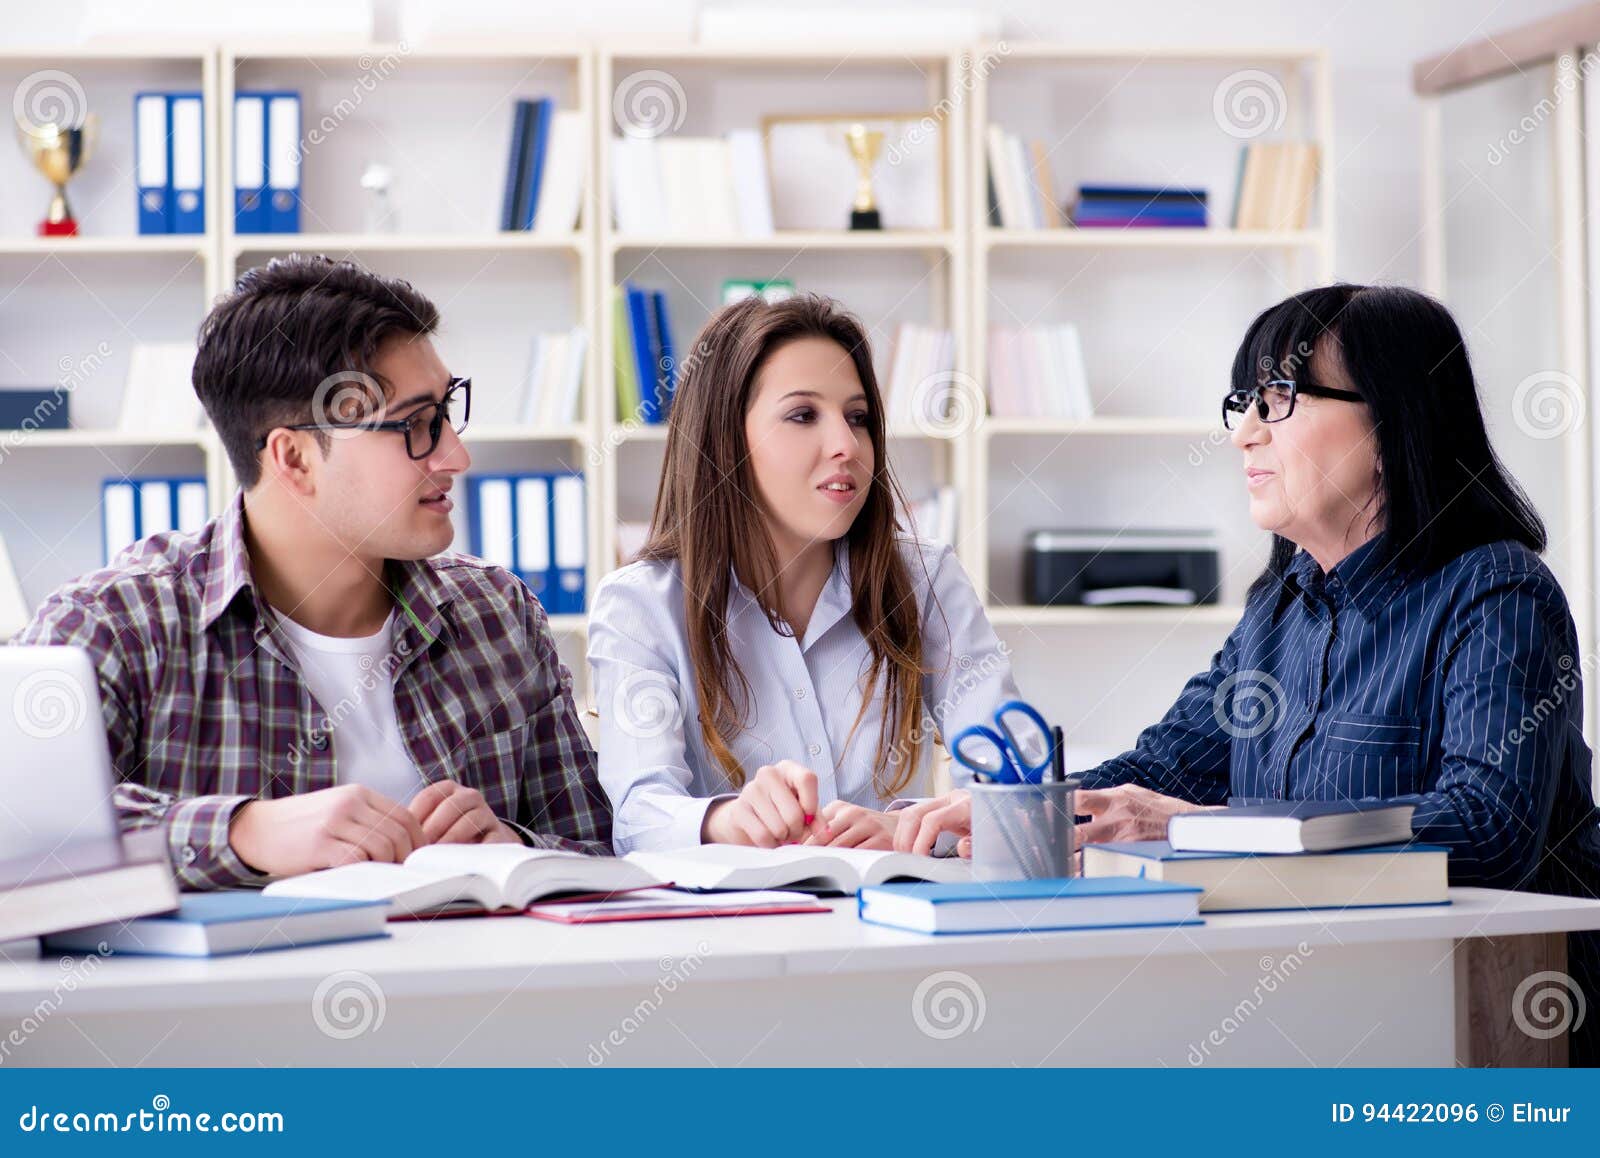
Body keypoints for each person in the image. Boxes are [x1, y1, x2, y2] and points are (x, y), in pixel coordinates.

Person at [893, 283, 1600, 1063]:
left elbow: (1487, 828)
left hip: (1489, 1020)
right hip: (1322, 1004)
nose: (1244, 436)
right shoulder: (1281, 605)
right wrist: (996, 813)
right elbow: (1164, 770)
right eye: (1245, 404)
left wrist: (1191, 828)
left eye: (1279, 400)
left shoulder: (1496, 591)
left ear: (1393, 419)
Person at [16, 253, 611, 888]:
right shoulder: (115, 625)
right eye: (415, 425)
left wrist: (514, 846)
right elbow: (23, 837)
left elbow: (597, 851)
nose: (455, 455)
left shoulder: (498, 615)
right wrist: (244, 833)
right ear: (294, 458)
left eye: (447, 411)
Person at [588, 294, 1019, 853]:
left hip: (900, 924)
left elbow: (1017, 792)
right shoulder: (641, 605)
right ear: (725, 440)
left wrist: (908, 829)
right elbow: (638, 816)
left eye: (858, 418)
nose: (846, 445)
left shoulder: (925, 578)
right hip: (736, 934)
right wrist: (725, 820)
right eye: (802, 415)